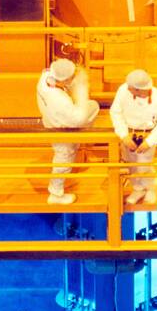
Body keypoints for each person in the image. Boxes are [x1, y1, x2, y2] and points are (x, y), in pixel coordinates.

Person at [35, 58, 99, 205]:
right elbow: (79, 119)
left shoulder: (46, 75)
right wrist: (82, 89)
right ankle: (56, 194)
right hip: (60, 128)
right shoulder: (58, 100)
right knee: (64, 156)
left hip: (52, 118)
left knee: (92, 107)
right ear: (64, 81)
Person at [109, 69, 157, 205]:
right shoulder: (123, 91)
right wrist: (124, 135)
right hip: (128, 134)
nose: (128, 89)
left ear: (139, 89)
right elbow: (116, 112)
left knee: (144, 165)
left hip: (147, 135)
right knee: (131, 164)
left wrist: (149, 142)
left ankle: (151, 187)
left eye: (131, 88)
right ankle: (138, 189)